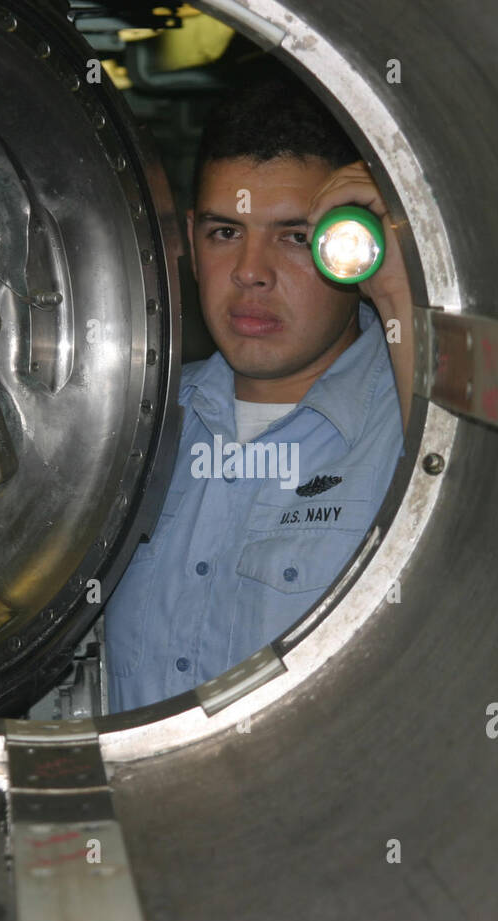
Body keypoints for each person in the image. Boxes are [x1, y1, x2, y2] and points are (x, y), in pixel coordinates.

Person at [104, 67, 415, 712]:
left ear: (355, 245)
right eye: (226, 232)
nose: (250, 273)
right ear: (190, 239)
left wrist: (398, 292)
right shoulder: (131, 423)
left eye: (296, 238)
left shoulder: (419, 426)